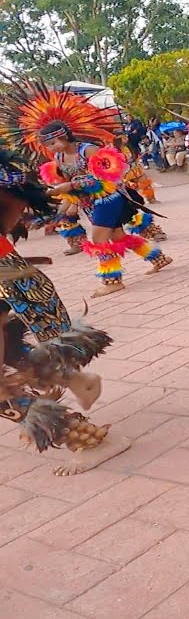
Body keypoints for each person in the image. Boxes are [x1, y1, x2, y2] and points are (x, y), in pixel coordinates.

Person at [0, 145, 128, 475]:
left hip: (10, 277)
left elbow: (19, 191)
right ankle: (78, 381)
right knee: (21, 358)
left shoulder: (86, 152)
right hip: (12, 275)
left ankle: (90, 439)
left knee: (7, 382)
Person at [0, 82, 172, 297]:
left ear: (63, 136)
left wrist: (71, 185)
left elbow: (107, 177)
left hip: (108, 200)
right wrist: (57, 202)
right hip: (90, 204)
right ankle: (158, 258)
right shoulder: (60, 158)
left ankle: (112, 281)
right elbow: (68, 186)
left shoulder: (89, 150)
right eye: (48, 146)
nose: (50, 149)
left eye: (52, 143)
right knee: (118, 237)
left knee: (99, 241)